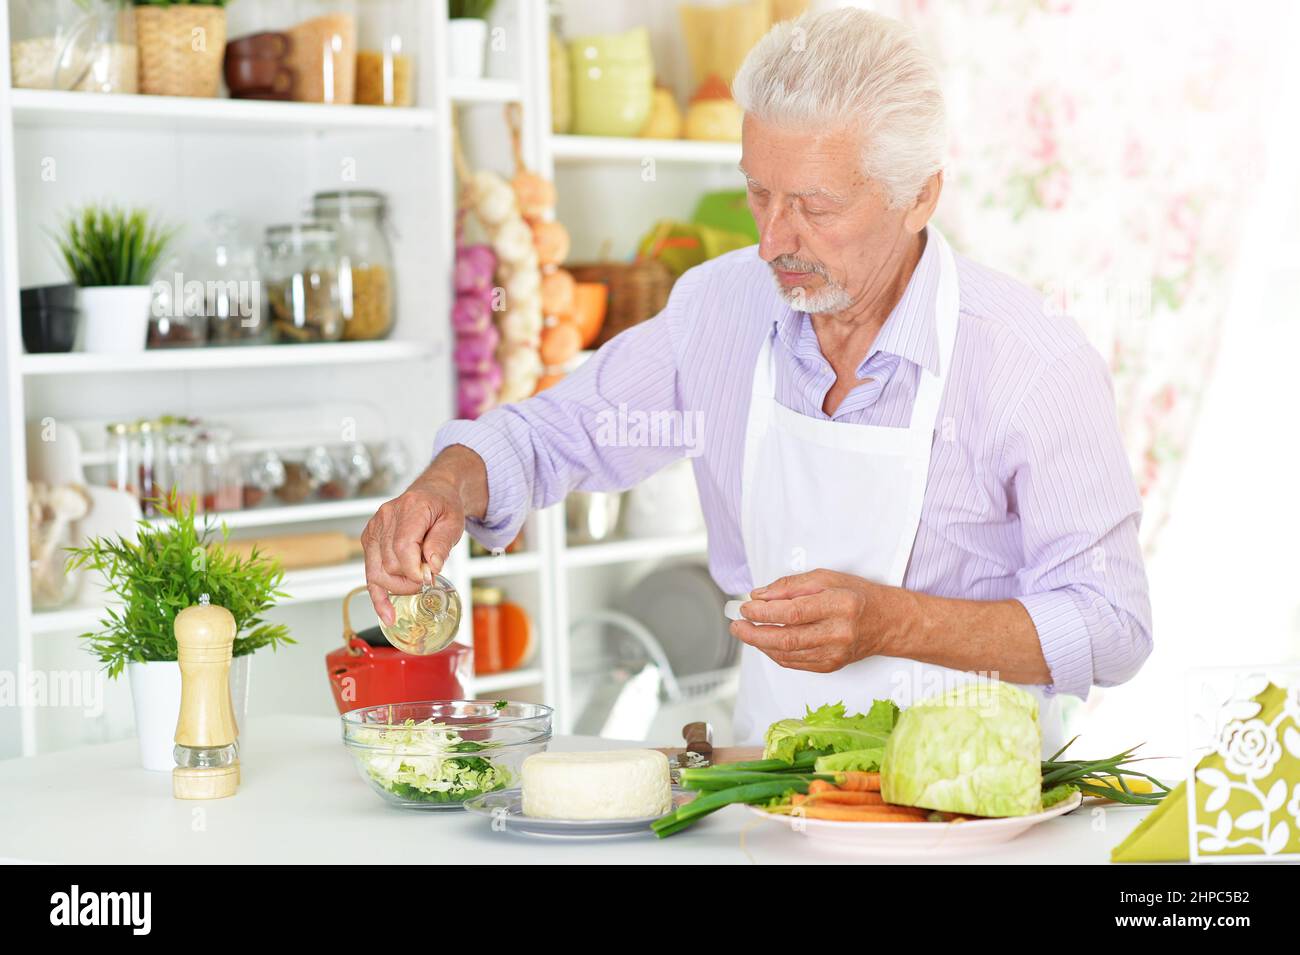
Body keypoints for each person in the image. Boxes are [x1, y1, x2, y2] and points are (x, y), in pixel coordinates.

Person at [362, 8, 1152, 748]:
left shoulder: (1033, 362)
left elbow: (1114, 623)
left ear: (920, 196)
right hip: (773, 794)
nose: (774, 240)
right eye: (758, 193)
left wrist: (895, 623)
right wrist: (446, 484)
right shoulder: (719, 307)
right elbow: (554, 435)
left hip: (972, 804)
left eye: (815, 206)